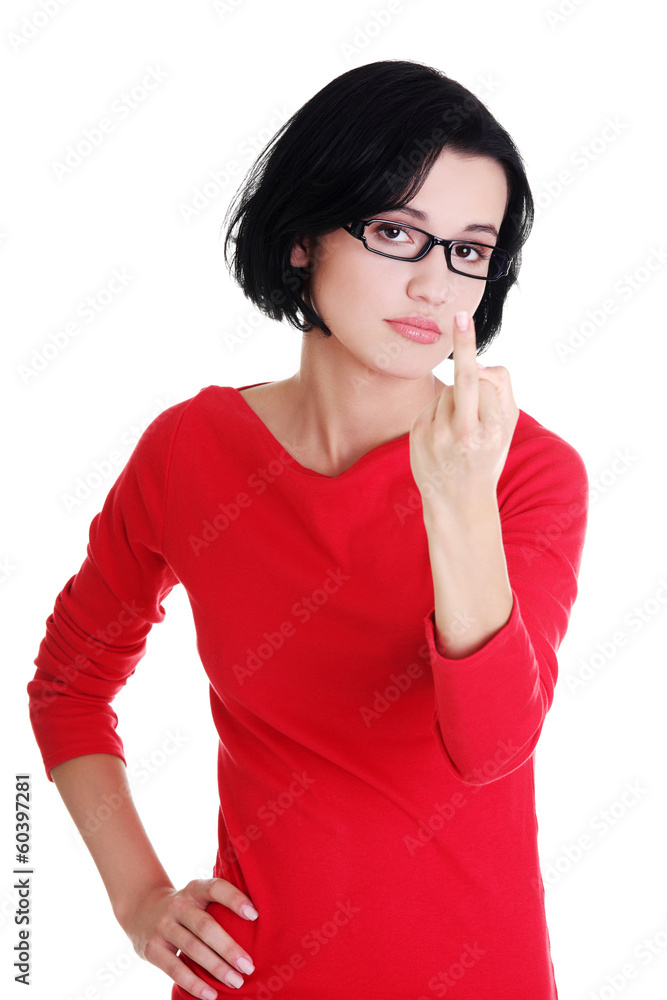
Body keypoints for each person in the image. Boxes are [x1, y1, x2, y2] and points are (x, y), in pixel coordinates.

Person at [27, 59, 589, 999]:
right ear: (301, 239)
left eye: (468, 249)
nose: (434, 284)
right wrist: (138, 900)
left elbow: (490, 746)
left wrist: (457, 499)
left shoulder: (526, 473)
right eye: (395, 232)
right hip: (251, 974)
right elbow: (68, 686)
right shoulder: (190, 450)